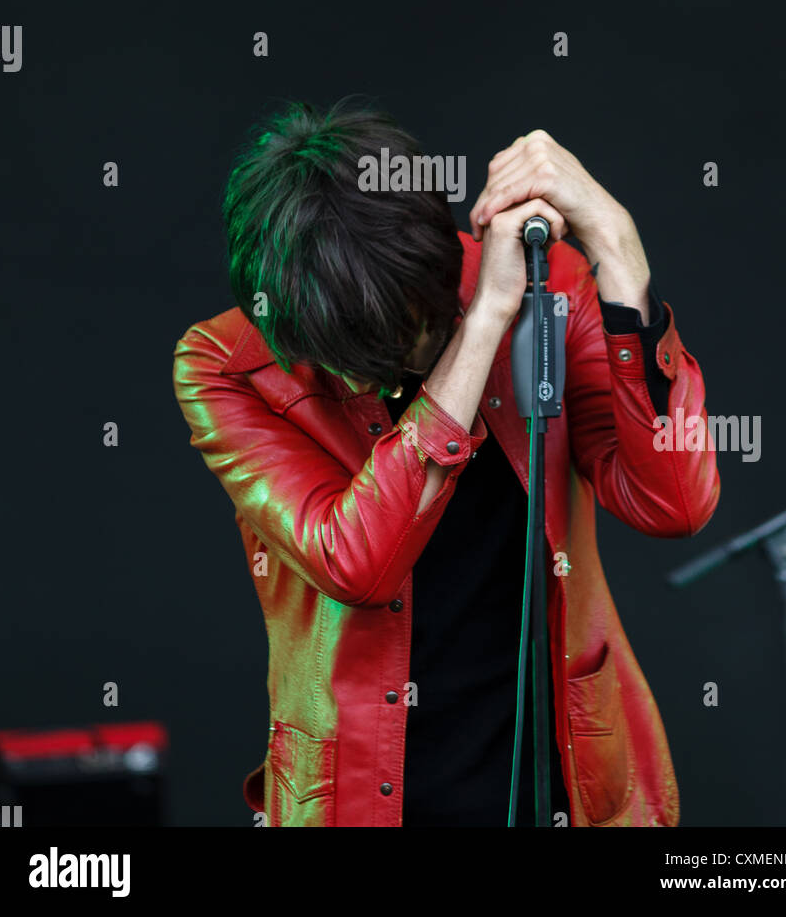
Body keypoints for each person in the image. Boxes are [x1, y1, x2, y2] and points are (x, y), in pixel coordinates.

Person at [172, 100, 720, 827]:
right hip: (360, 797)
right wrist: (487, 318)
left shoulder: (546, 283)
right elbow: (358, 564)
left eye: (411, 340)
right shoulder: (225, 364)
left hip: (562, 786)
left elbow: (673, 504)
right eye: (348, 364)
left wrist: (618, 249)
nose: (380, 382)